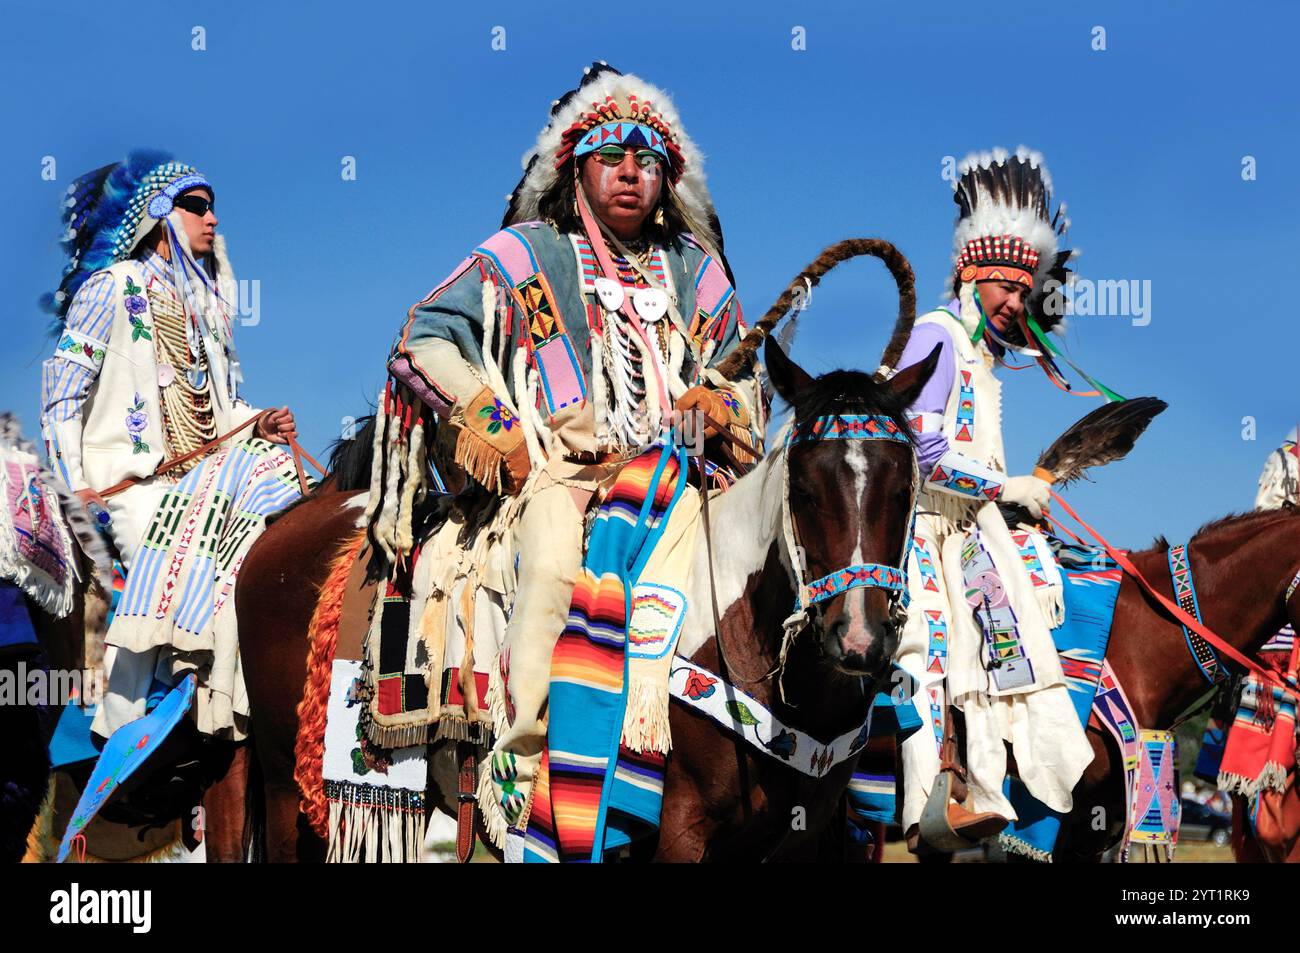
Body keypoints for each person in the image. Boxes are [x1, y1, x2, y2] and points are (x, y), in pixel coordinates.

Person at [372, 62, 764, 835]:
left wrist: (716, 404)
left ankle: (683, 766)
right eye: (612, 156)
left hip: (678, 480)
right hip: (563, 472)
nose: (630, 173)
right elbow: (423, 338)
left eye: (648, 161)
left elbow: (748, 377)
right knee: (553, 565)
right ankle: (523, 768)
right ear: (576, 168)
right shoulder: (525, 254)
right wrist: (494, 421)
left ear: (668, 178)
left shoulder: (697, 271)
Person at [40, 151, 302, 742]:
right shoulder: (111, 289)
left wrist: (258, 422)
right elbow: (60, 393)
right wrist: (75, 483)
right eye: (197, 207)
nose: (212, 220)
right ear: (160, 215)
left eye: (214, 209)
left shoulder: (207, 312)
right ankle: (128, 719)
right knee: (174, 533)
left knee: (274, 488)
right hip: (126, 489)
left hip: (201, 477)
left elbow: (219, 410)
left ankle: (224, 695)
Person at [889, 148, 1105, 848]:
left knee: (1017, 647)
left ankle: (998, 796)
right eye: (1002, 285)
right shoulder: (938, 336)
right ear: (967, 272)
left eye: (1024, 288)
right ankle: (933, 803)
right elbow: (921, 451)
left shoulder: (979, 356)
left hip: (972, 532)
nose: (1015, 301)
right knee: (930, 650)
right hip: (922, 530)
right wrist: (1006, 486)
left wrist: (1011, 507)